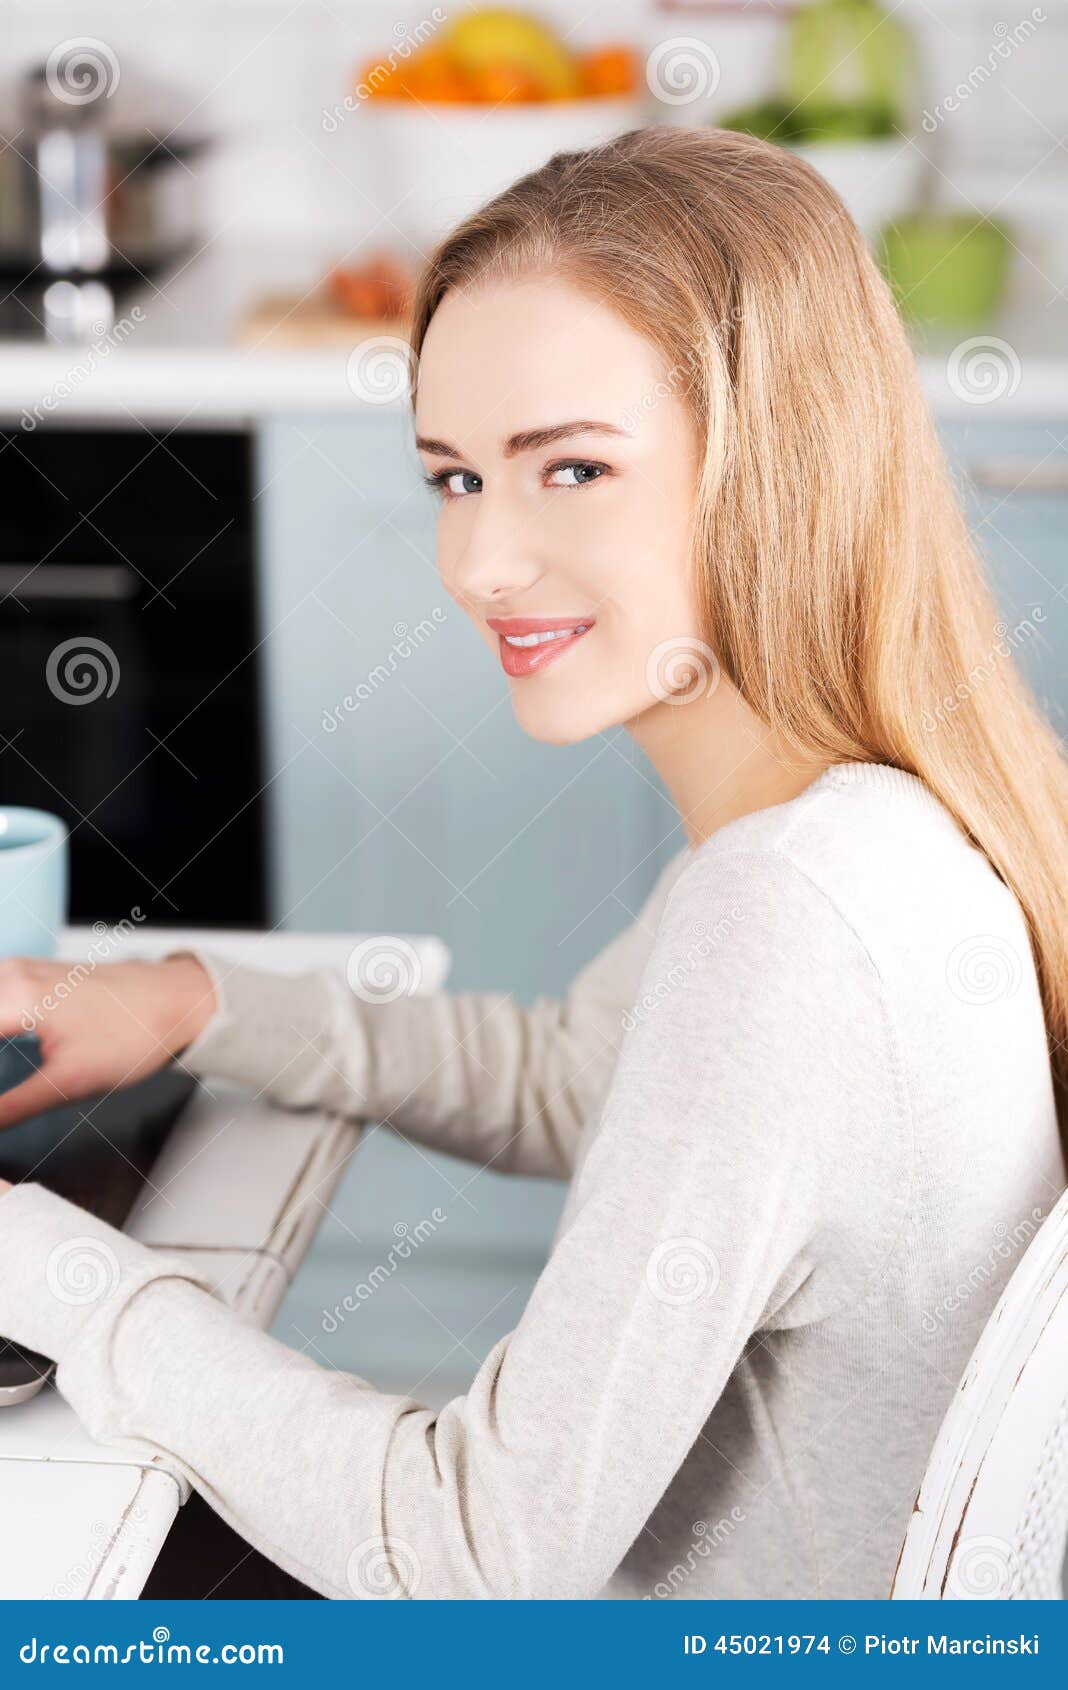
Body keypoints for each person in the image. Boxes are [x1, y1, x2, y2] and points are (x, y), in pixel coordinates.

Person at [0, 126, 1065, 1601]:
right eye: (453, 476)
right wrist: (190, 1003)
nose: (482, 563)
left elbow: (469, 1553)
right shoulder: (873, 826)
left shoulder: (788, 918)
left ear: (773, 462)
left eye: (569, 467)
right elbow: (586, 1079)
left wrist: (40, 1264)